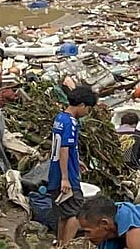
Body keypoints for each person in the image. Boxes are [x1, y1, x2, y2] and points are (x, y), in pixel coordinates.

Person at [50, 85, 97, 246]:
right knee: (77, 213)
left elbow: (64, 148)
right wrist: (65, 178)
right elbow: (63, 148)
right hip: (66, 174)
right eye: (88, 109)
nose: (87, 113)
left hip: (55, 171)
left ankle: (59, 244)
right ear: (82, 105)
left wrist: (76, 160)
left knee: (64, 213)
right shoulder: (71, 122)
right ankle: (67, 245)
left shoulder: (60, 118)